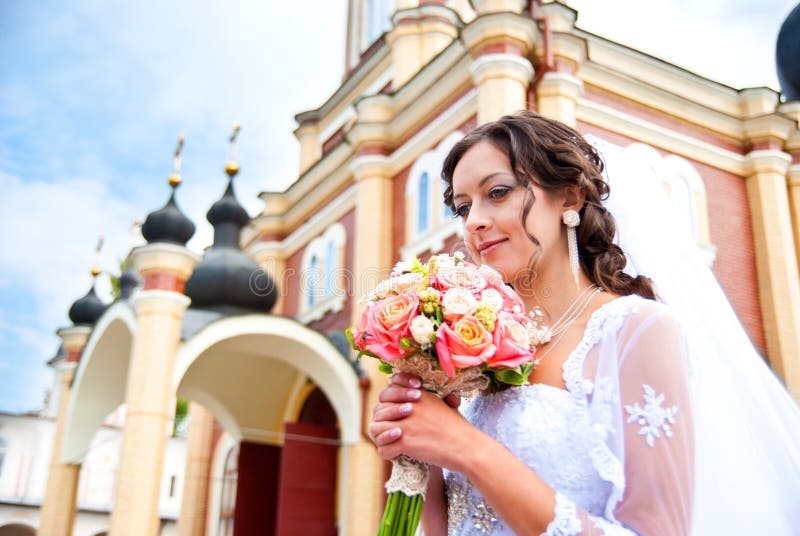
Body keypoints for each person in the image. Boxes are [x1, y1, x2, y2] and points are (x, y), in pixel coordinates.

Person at [368, 111, 800, 535]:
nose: (474, 222)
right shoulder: (482, 347)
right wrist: (415, 450)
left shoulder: (638, 331)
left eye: (497, 192)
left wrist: (468, 448)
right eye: (463, 208)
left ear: (570, 198)